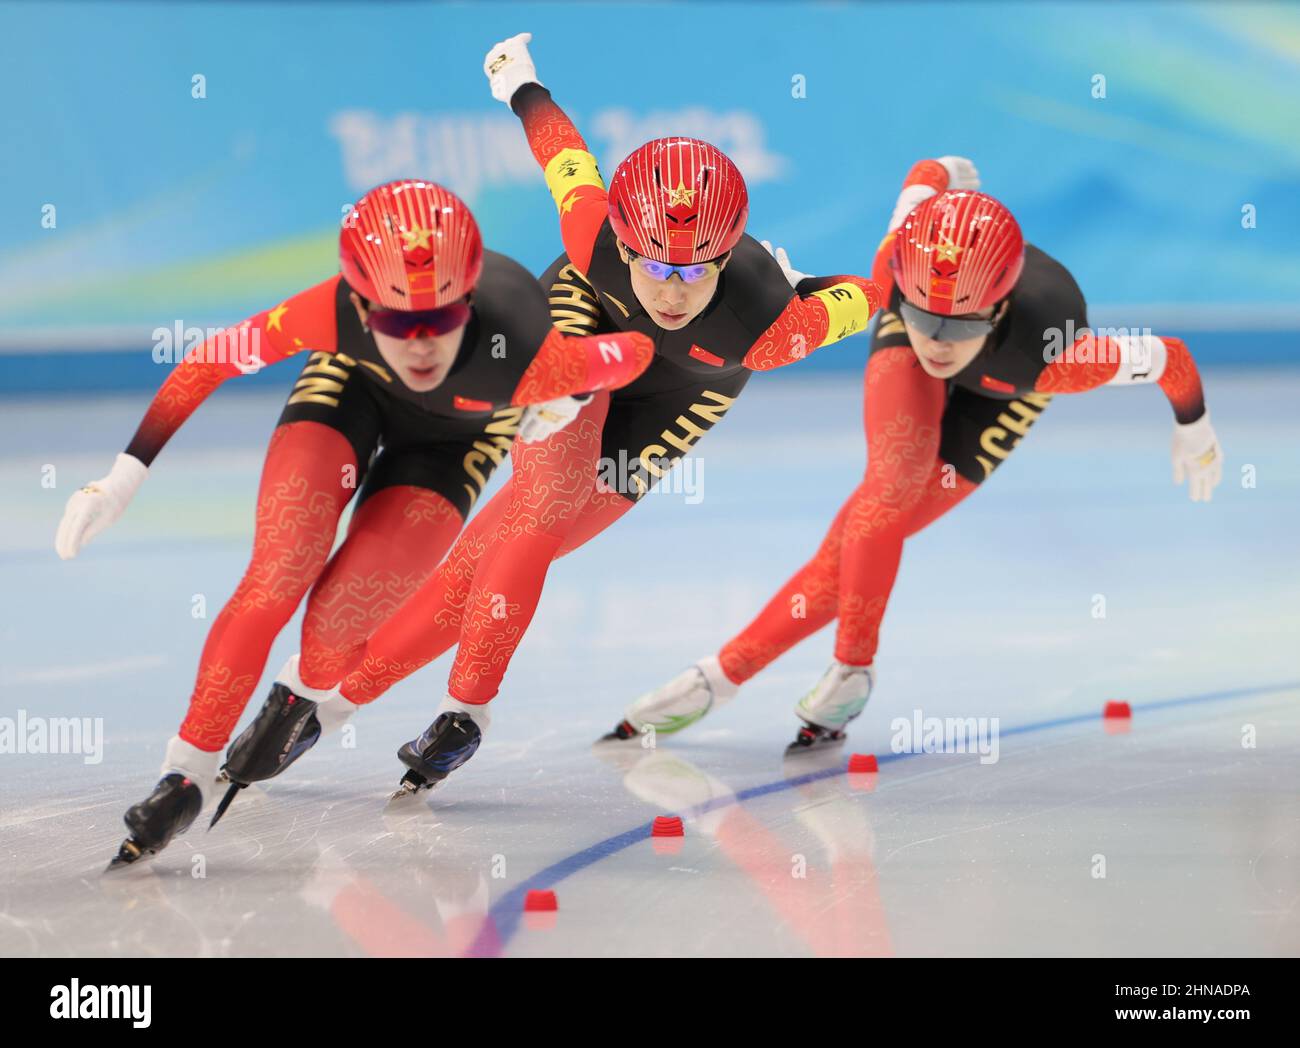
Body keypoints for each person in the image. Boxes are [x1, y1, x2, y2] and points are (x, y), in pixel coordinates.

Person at [222, 31, 886, 799]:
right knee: (540, 506)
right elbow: (564, 157)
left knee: (493, 556)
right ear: (625, 246)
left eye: (693, 272)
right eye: (654, 264)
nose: (670, 290)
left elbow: (872, 294)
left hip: (684, 391)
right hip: (584, 324)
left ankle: (324, 704)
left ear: (728, 254)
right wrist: (520, 84)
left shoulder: (774, 329)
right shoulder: (594, 237)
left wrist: (815, 281)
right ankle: (468, 710)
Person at [58, 179, 653, 866]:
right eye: (398, 323)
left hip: (451, 444)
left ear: (469, 301)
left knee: (337, 626)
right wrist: (124, 475)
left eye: (444, 319)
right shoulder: (332, 311)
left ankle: (299, 696)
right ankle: (183, 773)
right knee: (280, 570)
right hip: (350, 394)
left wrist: (574, 390)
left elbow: (633, 351)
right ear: (362, 301)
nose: (422, 346)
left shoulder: (526, 347)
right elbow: (207, 362)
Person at [605, 158, 1224, 752]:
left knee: (868, 530)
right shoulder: (900, 265)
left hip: (1008, 385)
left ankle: (738, 675)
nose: (937, 342)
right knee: (887, 492)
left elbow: (1172, 357)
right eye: (925, 319)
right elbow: (923, 179)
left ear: (999, 309)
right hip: (941, 328)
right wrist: (944, 171)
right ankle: (826, 671)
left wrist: (1194, 426)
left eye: (959, 327)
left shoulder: (1058, 358)